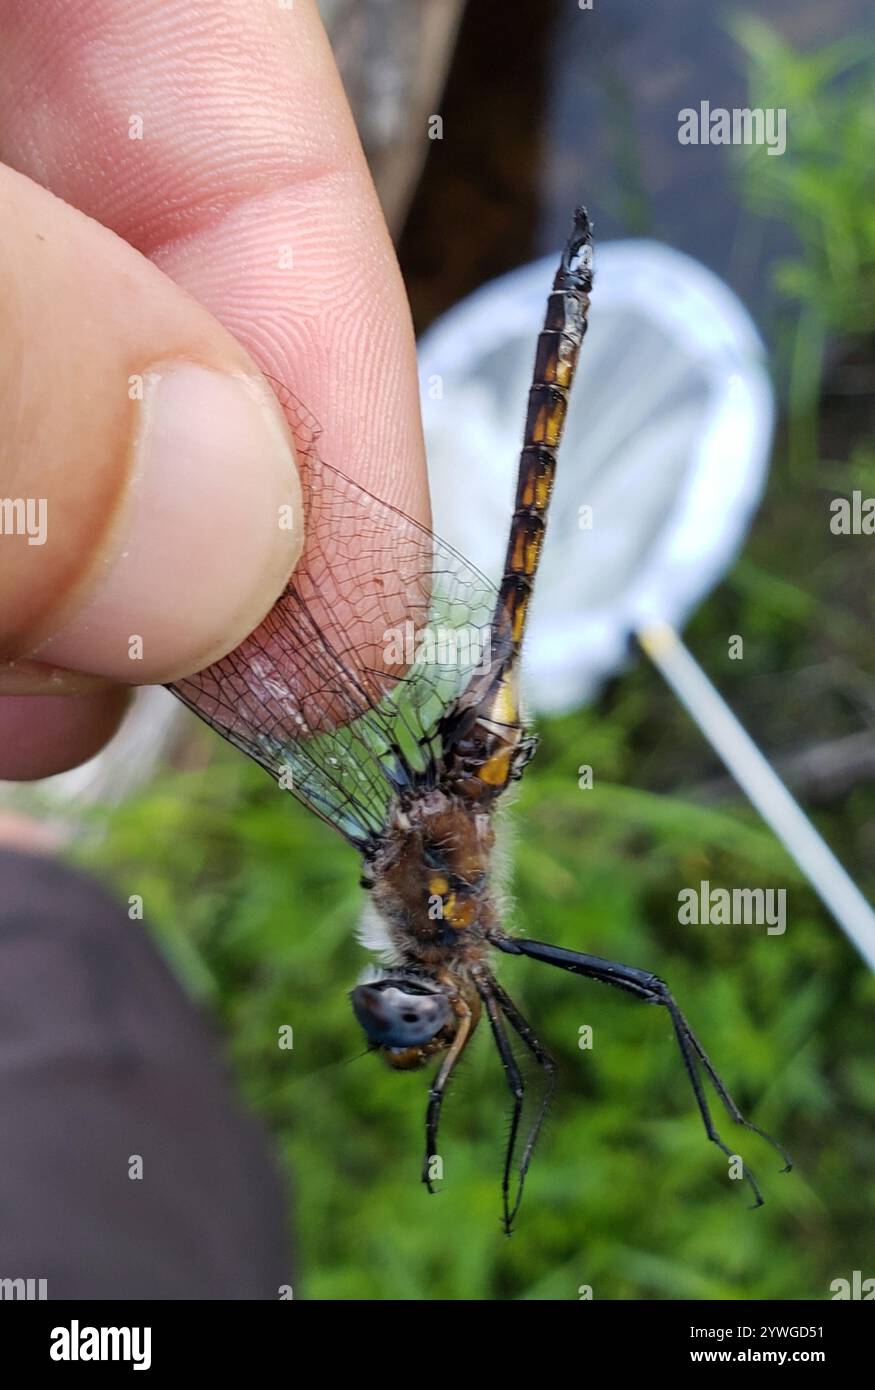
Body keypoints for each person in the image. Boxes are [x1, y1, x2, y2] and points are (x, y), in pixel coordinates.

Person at [0, 0, 425, 1298]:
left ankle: (21, 861)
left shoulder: (424, 896)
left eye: (406, 1023)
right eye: (416, 1021)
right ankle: (22, 862)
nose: (414, 1023)